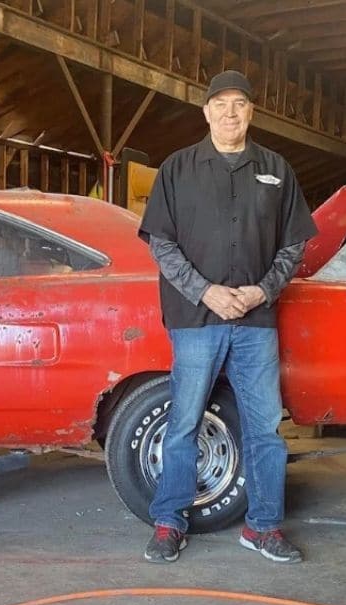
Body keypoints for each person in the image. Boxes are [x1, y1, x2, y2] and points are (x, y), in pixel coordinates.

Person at [137, 70, 318, 564]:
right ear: (207, 112)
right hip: (197, 321)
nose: (230, 112)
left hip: (256, 323)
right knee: (183, 423)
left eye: (240, 104)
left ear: (251, 112)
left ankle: (262, 527)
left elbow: (294, 242)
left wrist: (263, 289)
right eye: (221, 104)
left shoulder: (277, 169)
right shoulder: (178, 169)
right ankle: (169, 520)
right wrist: (205, 292)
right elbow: (161, 242)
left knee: (265, 429)